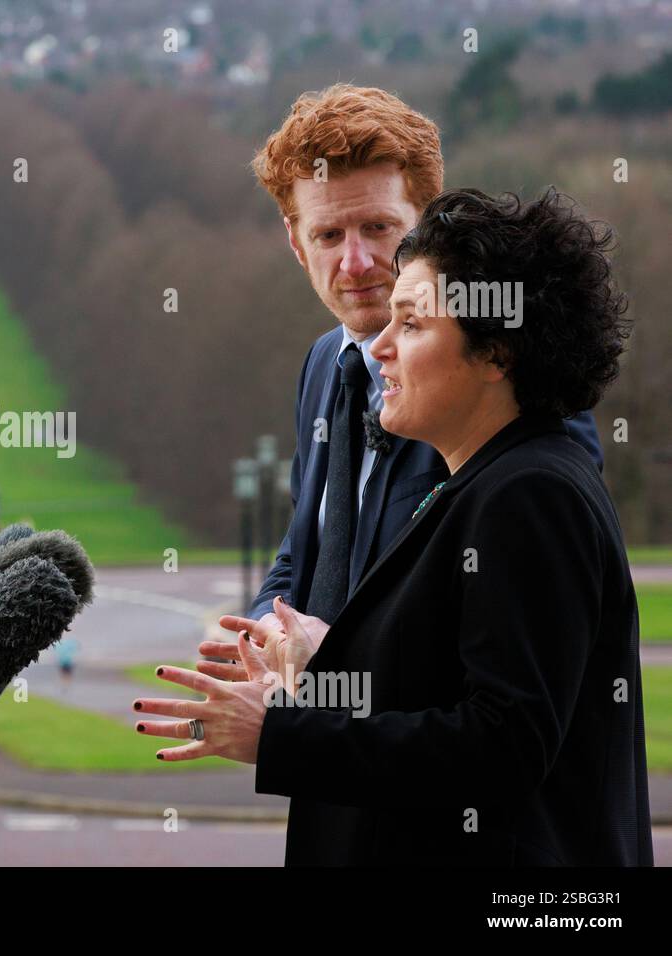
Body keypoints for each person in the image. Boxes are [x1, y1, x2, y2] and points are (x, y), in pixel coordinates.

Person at [133, 187, 652, 865]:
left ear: (497, 352)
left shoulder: (532, 495)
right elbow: (438, 681)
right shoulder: (481, 481)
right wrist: (323, 660)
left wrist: (278, 737)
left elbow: (503, 747)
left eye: (411, 324)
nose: (379, 348)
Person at [233, 86, 602, 647]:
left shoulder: (497, 366)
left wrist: (332, 669)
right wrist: (265, 630)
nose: (354, 263)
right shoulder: (321, 367)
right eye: (328, 235)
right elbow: (306, 544)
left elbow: (535, 583)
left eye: (378, 228)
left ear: (429, 225)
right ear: (296, 243)